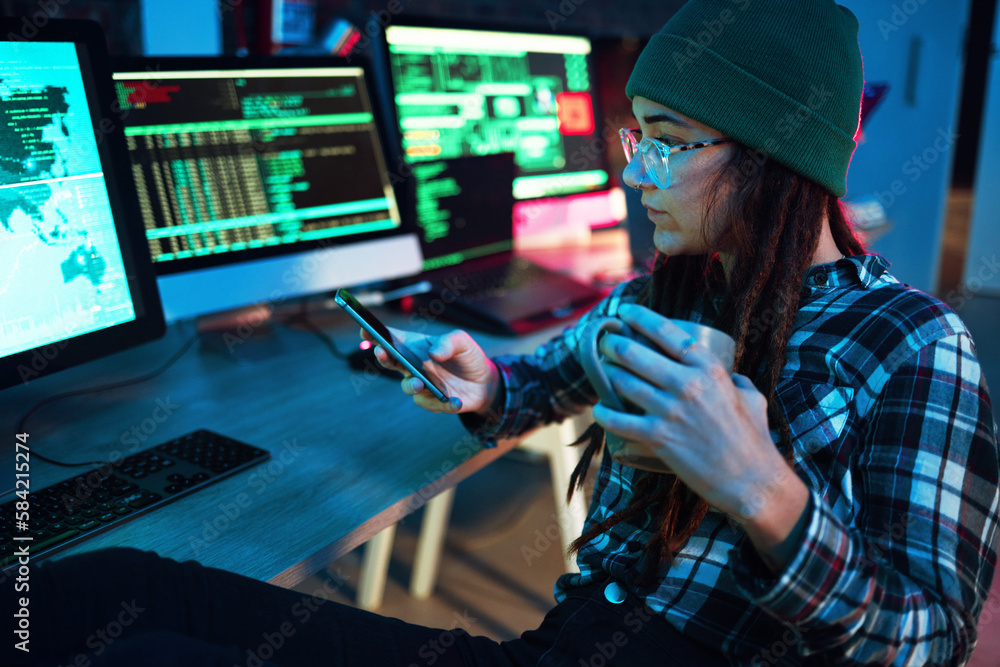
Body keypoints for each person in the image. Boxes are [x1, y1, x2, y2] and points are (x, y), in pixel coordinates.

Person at [5, 0, 998, 665]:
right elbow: (545, 383)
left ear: (778, 156)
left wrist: (759, 486)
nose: (635, 172)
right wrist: (488, 385)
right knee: (105, 593)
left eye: (670, 142)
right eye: (633, 135)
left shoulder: (914, 345)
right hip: (564, 641)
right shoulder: (669, 293)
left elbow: (924, 643)